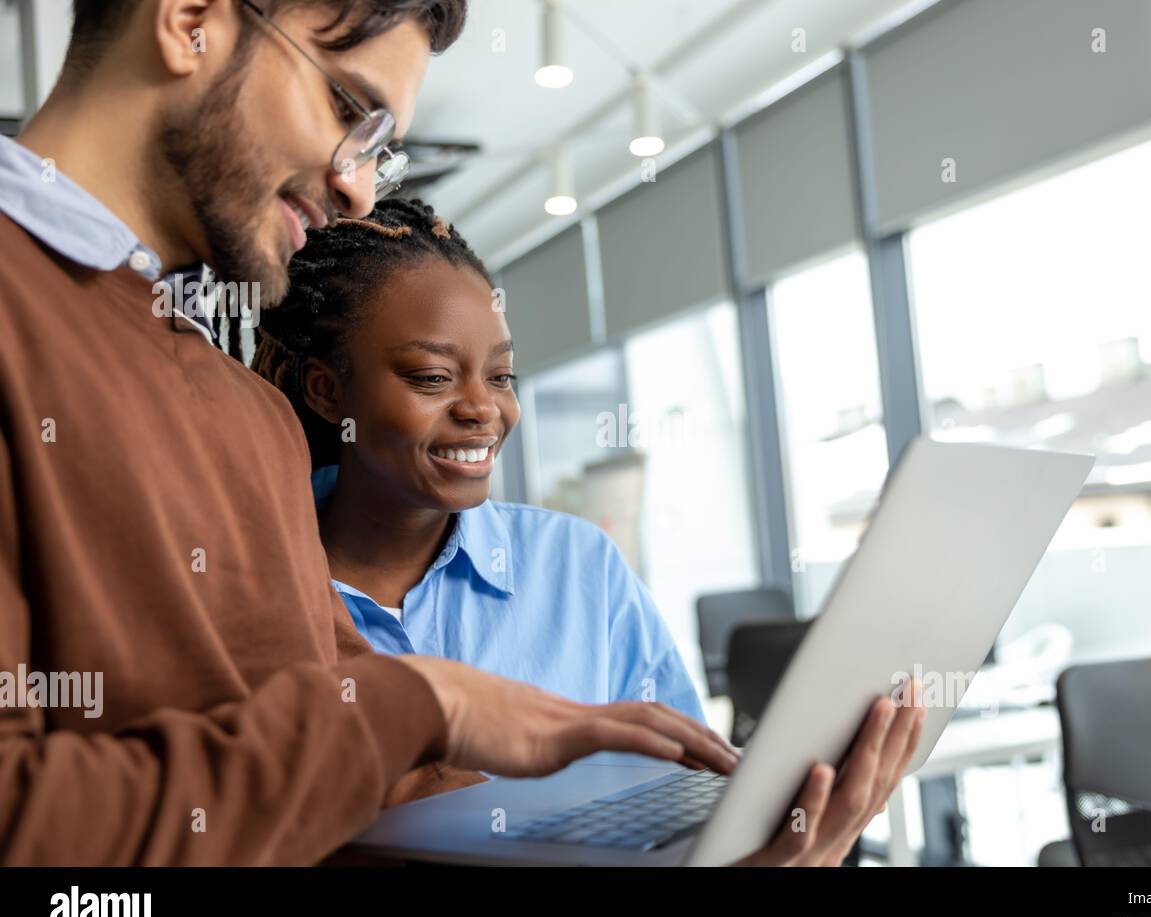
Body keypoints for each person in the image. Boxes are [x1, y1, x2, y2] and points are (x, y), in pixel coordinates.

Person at [0, 0, 923, 866]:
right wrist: (431, 701)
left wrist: (705, 849)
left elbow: (372, 788)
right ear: (191, 18)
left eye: (376, 145)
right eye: (346, 105)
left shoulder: (253, 419)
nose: (355, 188)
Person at [252, 198, 706, 726]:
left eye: (501, 377)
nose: (483, 409)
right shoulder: (249, 583)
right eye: (433, 377)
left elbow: (683, 779)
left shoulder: (579, 566)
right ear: (328, 391)